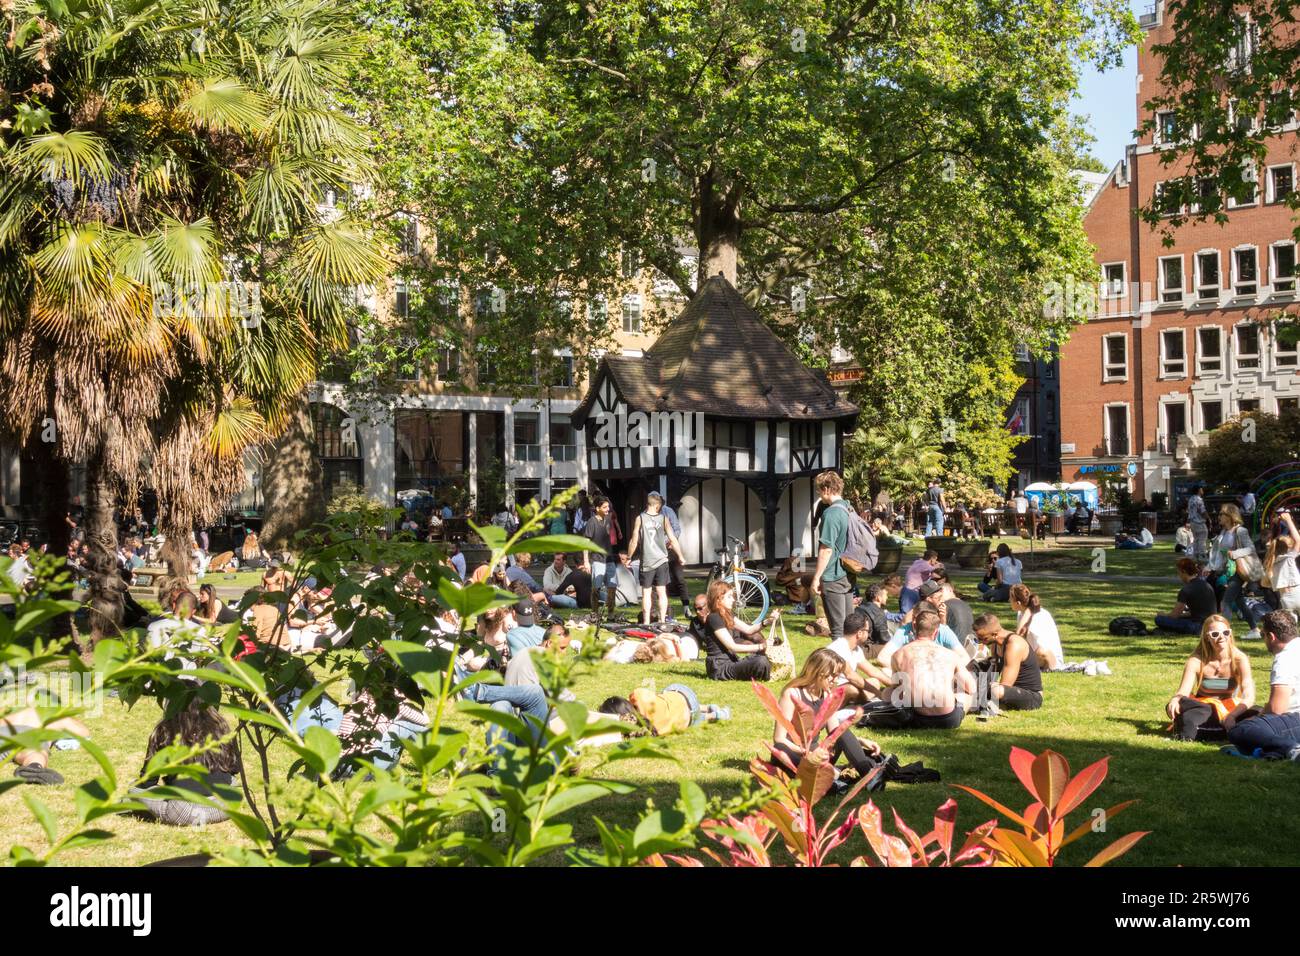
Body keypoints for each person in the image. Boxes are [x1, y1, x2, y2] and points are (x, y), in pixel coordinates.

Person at [770, 649, 886, 791]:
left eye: (838, 675)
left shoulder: (827, 695)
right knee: (779, 749)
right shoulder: (792, 694)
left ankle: (868, 777)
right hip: (794, 754)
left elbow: (835, 732)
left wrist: (861, 741)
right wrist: (807, 753)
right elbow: (779, 739)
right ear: (819, 671)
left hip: (818, 757)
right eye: (833, 675)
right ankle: (829, 780)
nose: (836, 680)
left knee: (840, 731)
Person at [130, 698, 242, 825]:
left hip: (183, 810)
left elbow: (148, 781)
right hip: (224, 805)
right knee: (233, 782)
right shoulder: (221, 726)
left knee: (134, 789)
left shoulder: (164, 729)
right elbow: (234, 768)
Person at [870, 610, 975, 730]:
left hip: (915, 717)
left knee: (888, 692)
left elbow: (896, 687)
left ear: (914, 627)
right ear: (936, 632)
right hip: (948, 719)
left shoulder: (899, 654)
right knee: (967, 696)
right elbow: (971, 688)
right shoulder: (950, 655)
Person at [1166, 615, 1255, 742]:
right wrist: (1175, 700)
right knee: (1191, 711)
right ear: (1207, 637)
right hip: (1202, 706)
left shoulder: (1240, 659)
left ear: (1230, 634)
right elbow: (1183, 692)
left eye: (1225, 632)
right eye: (1214, 634)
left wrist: (1232, 716)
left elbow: (1249, 696)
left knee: (1259, 713)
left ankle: (1208, 729)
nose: (1221, 637)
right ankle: (1224, 730)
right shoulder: (1196, 661)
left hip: (1229, 706)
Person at [1226, 610, 1300, 759]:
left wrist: (1256, 720)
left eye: (1262, 635)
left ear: (1271, 636)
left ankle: (1292, 749)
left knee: (1242, 729)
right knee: (1255, 716)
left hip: (1296, 719)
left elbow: (1277, 709)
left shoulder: (1284, 658)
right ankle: (1275, 751)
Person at [626, 491, 683, 626]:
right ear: (658, 505)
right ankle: (663, 621)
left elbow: (634, 540)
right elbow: (673, 539)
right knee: (662, 591)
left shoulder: (640, 518)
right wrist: (680, 556)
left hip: (647, 561)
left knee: (646, 593)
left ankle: (646, 622)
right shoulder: (664, 519)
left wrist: (629, 557)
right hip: (662, 561)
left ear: (648, 504)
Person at [809, 469, 853, 641]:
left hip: (833, 575)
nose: (819, 495)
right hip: (848, 572)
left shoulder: (832, 513)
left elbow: (826, 549)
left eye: (819, 491)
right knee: (850, 627)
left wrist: (816, 577)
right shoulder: (849, 508)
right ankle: (850, 665)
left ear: (826, 489)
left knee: (838, 630)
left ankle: (840, 666)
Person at [701, 579, 772, 681]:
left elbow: (749, 629)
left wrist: (767, 621)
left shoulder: (727, 615)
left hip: (732, 661)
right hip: (720, 667)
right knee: (760, 661)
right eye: (729, 597)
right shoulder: (714, 618)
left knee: (762, 658)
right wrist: (761, 646)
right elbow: (732, 647)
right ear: (719, 599)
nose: (733, 600)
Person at [972, 613, 1044, 713]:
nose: (980, 642)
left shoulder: (1014, 645)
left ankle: (989, 705)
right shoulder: (996, 644)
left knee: (996, 690)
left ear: (995, 634)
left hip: (1031, 696)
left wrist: (982, 688)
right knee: (973, 680)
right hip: (1007, 690)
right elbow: (994, 675)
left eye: (983, 638)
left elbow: (1005, 685)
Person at [599, 683, 730, 736]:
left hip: (688, 720)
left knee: (680, 718)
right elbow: (648, 693)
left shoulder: (646, 731)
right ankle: (706, 707)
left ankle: (712, 715)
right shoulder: (638, 695)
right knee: (665, 695)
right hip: (686, 696)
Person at [827, 610, 891, 704]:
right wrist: (879, 694)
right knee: (852, 689)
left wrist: (894, 684)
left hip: (845, 687)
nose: (869, 634)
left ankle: (858, 702)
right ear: (859, 633)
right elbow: (852, 677)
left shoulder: (855, 649)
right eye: (868, 631)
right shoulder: (839, 649)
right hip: (829, 691)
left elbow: (872, 670)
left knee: (874, 682)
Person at [1208, 503, 1256, 627]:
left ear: (1230, 516)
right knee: (1240, 602)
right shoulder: (1224, 532)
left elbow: (1251, 549)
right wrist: (1210, 566)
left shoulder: (1241, 531)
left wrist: (1234, 553)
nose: (1218, 516)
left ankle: (1224, 630)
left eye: (1221, 514)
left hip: (1239, 571)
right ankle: (1254, 629)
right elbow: (1218, 553)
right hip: (1229, 571)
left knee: (1226, 602)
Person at [579, 496, 619, 615]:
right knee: (596, 588)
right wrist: (586, 561)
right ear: (597, 508)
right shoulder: (592, 522)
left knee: (612, 587)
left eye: (608, 507)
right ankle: (594, 614)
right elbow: (586, 542)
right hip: (597, 559)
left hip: (609, 558)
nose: (608, 509)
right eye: (605, 507)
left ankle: (610, 614)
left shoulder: (607, 519)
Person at [1155, 558, 1218, 634]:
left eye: (1179, 573)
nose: (1179, 576)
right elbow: (1197, 612)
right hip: (1212, 624)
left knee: (1159, 619)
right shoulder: (1207, 585)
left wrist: (1164, 615)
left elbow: (1174, 615)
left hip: (1197, 627)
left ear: (1184, 572)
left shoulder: (1186, 589)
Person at [1008, 584, 1063, 671]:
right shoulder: (1021, 613)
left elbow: (1021, 637)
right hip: (1034, 655)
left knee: (1039, 652)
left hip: (1050, 659)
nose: (1009, 601)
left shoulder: (1039, 615)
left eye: (1010, 599)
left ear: (1018, 603)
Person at [1264, 509, 1300, 619]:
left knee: (1290, 626)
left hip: (1284, 599)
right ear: (1289, 548)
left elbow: (1264, 583)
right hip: (1297, 594)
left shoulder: (1270, 564)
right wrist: (1289, 520)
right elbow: (1298, 540)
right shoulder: (1289, 558)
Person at [901, 550, 941, 615]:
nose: (936, 562)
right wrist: (939, 565)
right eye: (935, 559)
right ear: (931, 559)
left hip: (908, 589)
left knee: (913, 612)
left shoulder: (918, 562)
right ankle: (888, 616)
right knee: (906, 614)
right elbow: (935, 570)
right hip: (912, 591)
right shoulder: (925, 566)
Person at [1187, 486, 1210, 563]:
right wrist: (1208, 518)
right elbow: (1202, 511)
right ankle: (1202, 555)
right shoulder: (1199, 499)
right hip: (1199, 522)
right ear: (1199, 490)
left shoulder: (1191, 499)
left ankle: (1195, 556)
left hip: (1192, 522)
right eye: (1201, 489)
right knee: (1202, 539)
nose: (1202, 490)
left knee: (1196, 539)